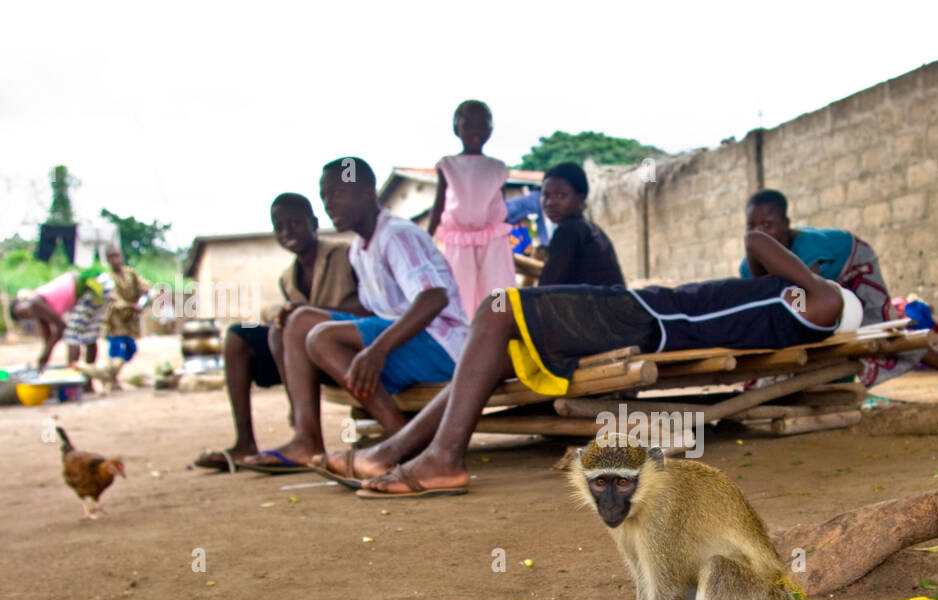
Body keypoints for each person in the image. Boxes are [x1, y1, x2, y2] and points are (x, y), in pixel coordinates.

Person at [314, 230, 861, 497]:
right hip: (647, 311)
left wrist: (807, 276)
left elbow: (758, 239)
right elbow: (758, 249)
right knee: (498, 340)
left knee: (497, 306)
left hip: (646, 318)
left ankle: (442, 459)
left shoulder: (819, 302)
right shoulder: (791, 304)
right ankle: (393, 451)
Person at [239, 157, 469, 473]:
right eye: (324, 196)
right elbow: (370, 312)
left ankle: (401, 440)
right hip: (409, 346)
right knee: (296, 322)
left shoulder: (396, 235)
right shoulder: (359, 248)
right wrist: (311, 312)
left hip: (443, 347)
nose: (328, 203)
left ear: (366, 192)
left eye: (337, 193)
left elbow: (433, 298)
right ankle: (306, 440)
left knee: (319, 335)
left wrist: (377, 350)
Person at [740, 189, 938, 402]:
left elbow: (808, 298)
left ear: (786, 224)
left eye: (768, 224)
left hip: (854, 266)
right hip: (822, 288)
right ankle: (833, 388)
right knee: (818, 330)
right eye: (752, 226)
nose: (760, 232)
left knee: (881, 332)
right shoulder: (746, 266)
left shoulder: (807, 248)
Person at [193, 193, 364, 470]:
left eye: (296, 223)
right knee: (239, 334)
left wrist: (310, 313)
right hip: (300, 355)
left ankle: (307, 440)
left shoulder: (346, 255)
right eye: (279, 226)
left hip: (343, 348)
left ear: (314, 223)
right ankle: (244, 442)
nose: (287, 232)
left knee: (294, 323)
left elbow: (370, 307)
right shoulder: (287, 276)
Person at [427, 100, 516, 314]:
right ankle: (464, 342)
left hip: (493, 242)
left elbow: (501, 211)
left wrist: (509, 246)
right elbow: (438, 207)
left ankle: (500, 335)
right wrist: (425, 240)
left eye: (482, 125)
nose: (475, 131)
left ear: (491, 129)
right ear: (457, 127)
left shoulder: (497, 168)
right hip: (459, 243)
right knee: (459, 295)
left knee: (498, 291)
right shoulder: (448, 165)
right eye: (469, 124)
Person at [536, 162, 625, 286]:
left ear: (580, 198)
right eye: (545, 195)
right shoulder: (590, 229)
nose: (550, 202)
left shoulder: (569, 231)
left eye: (561, 195)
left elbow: (547, 287)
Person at [9, 269, 109, 373]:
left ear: (20, 303)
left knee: (72, 336)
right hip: (93, 290)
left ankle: (73, 378)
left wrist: (46, 354)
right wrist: (45, 357)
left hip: (91, 287)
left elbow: (61, 327)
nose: (24, 314)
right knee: (89, 336)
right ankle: (87, 380)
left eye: (20, 312)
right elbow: (48, 338)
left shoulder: (35, 303)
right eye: (22, 317)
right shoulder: (38, 311)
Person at [102, 246, 156, 390]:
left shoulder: (130, 273)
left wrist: (144, 300)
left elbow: (146, 287)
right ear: (108, 260)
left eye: (117, 256)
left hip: (130, 320)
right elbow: (114, 298)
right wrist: (130, 305)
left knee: (131, 349)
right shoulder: (107, 277)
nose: (116, 260)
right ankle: (111, 380)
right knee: (116, 350)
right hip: (115, 320)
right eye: (112, 257)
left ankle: (110, 375)